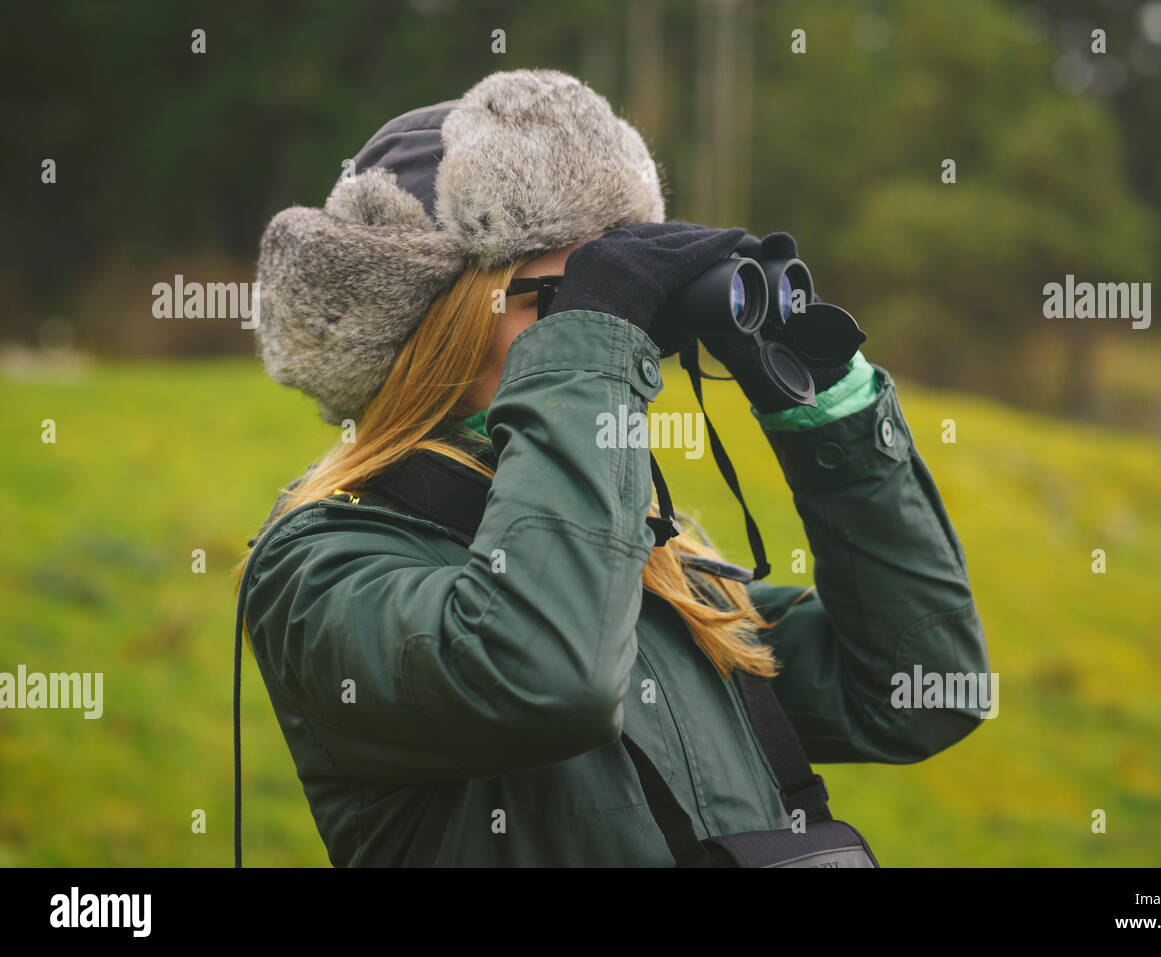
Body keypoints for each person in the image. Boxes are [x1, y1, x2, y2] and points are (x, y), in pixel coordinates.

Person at [238, 68, 990, 866]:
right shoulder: (318, 563)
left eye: (621, 295)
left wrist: (817, 394)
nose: (613, 327)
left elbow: (923, 691)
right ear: (439, 326)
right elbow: (541, 673)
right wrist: (591, 348)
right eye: (566, 300)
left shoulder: (653, 567)